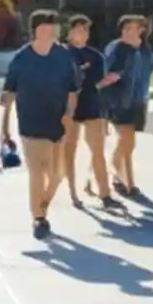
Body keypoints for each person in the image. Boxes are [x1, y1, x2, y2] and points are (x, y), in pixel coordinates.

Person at [0, 9, 78, 240]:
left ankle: (41, 205)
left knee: (58, 174)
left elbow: (73, 90)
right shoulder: (21, 58)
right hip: (30, 121)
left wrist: (69, 114)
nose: (52, 31)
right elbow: (9, 94)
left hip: (57, 121)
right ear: (35, 30)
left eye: (54, 27)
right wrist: (4, 129)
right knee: (38, 170)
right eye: (47, 26)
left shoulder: (63, 56)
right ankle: (39, 218)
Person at [62, 15, 122, 210]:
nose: (82, 33)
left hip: (92, 105)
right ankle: (72, 192)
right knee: (69, 149)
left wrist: (109, 82)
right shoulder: (61, 54)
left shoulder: (96, 56)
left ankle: (105, 193)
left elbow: (98, 83)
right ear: (69, 32)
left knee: (97, 150)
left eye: (86, 30)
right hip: (69, 107)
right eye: (78, 29)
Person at [104, 14, 153, 199]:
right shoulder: (116, 48)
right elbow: (107, 72)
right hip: (119, 100)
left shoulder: (145, 49)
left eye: (134, 28)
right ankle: (127, 181)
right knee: (126, 138)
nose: (130, 32)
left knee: (129, 142)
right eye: (126, 28)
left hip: (138, 100)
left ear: (142, 30)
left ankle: (115, 171)